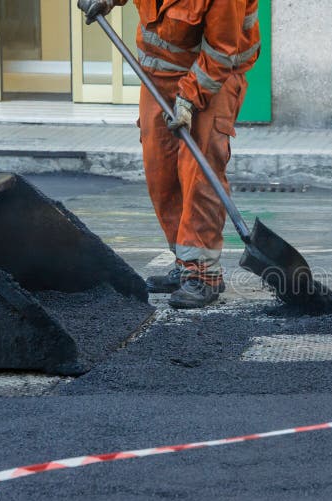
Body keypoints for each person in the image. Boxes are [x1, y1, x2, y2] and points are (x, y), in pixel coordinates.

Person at [77, 0, 261, 308]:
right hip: (157, 76)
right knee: (160, 170)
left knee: (198, 172)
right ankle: (184, 264)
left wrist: (189, 99)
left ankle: (203, 275)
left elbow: (220, 51)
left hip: (213, 77)